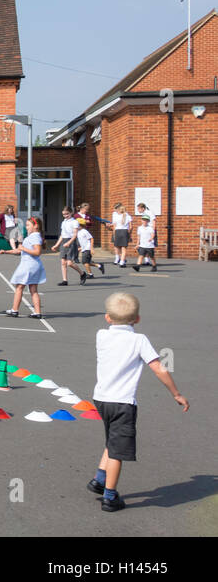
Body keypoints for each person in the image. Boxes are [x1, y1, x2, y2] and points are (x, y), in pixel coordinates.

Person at [86, 292, 188, 511]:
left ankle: (99, 479)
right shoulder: (139, 340)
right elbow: (158, 367)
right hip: (122, 403)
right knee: (118, 452)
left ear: (107, 317)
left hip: (101, 399)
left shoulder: (101, 335)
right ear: (137, 319)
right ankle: (110, 497)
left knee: (112, 439)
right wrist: (176, 393)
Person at [5, 216, 46, 318]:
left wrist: (23, 248)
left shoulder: (35, 237)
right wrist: (6, 251)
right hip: (33, 265)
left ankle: (14, 310)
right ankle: (37, 312)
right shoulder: (32, 237)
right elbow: (19, 250)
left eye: (28, 225)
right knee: (33, 289)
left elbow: (37, 252)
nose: (26, 227)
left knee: (19, 287)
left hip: (29, 265)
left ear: (36, 226)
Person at [50, 206, 79, 285]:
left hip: (71, 242)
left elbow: (75, 235)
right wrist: (56, 245)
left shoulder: (74, 222)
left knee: (69, 263)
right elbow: (62, 235)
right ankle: (65, 280)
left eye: (67, 214)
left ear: (71, 213)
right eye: (64, 214)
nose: (65, 216)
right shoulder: (64, 222)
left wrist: (69, 243)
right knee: (63, 262)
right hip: (64, 242)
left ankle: (82, 273)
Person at [74, 219, 104, 284]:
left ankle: (90, 274)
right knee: (86, 262)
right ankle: (99, 265)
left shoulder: (84, 231)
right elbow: (81, 241)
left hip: (87, 249)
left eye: (77, 225)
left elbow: (91, 238)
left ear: (81, 225)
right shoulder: (78, 232)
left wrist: (91, 248)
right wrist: (80, 247)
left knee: (85, 262)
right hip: (84, 249)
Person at [110, 202, 132, 267]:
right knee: (124, 248)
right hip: (124, 231)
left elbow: (114, 225)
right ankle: (122, 262)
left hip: (117, 231)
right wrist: (129, 234)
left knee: (117, 246)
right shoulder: (128, 216)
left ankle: (119, 259)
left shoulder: (116, 216)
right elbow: (131, 227)